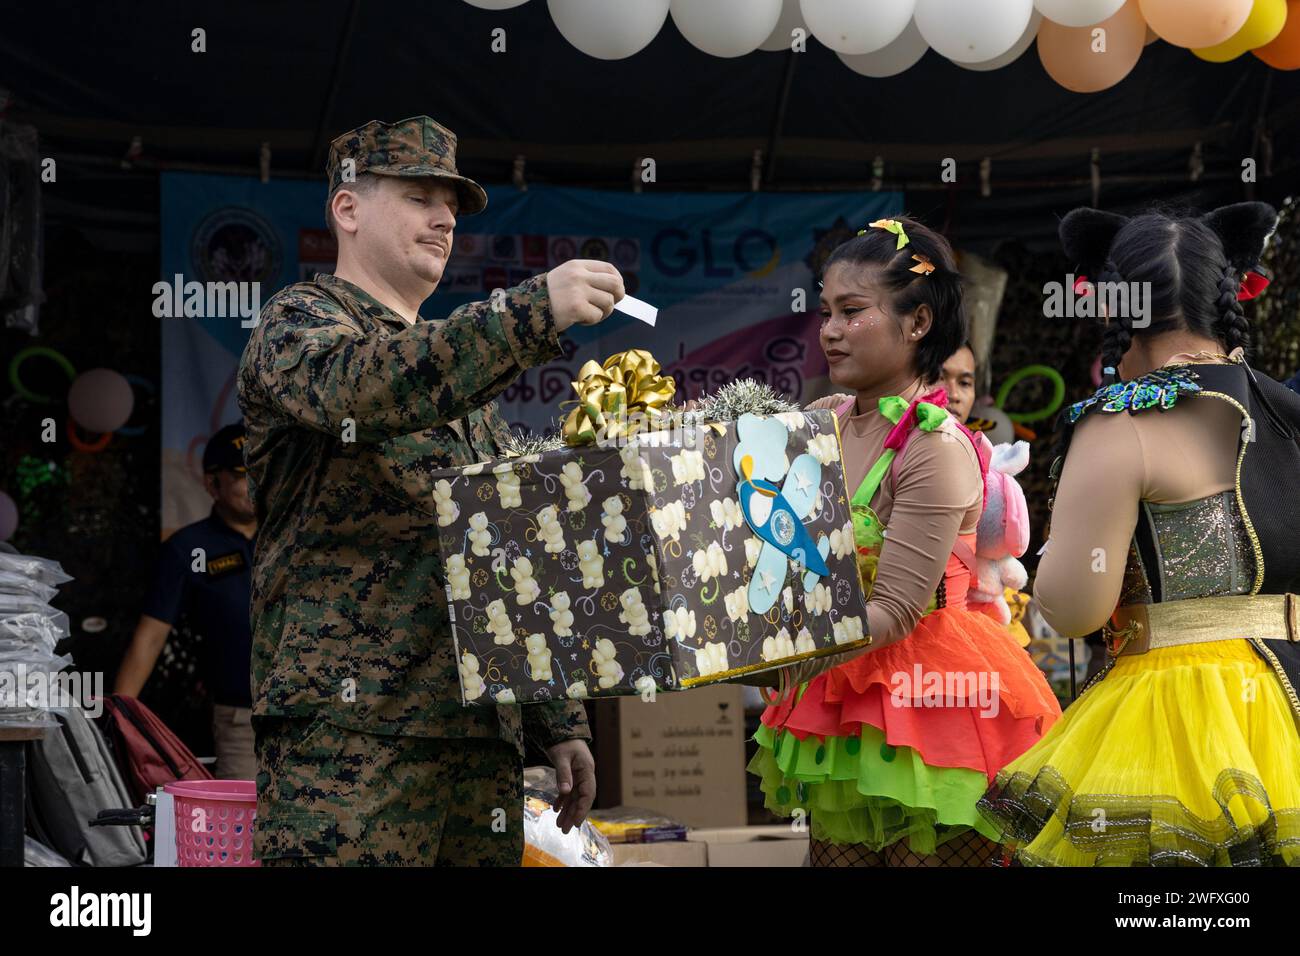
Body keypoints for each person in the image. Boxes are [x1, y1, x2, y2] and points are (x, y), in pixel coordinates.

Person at [237, 116, 623, 866]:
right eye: (419, 197)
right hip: (350, 744)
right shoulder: (298, 325)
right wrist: (531, 312)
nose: (444, 218)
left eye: (450, 205)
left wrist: (558, 719)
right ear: (347, 209)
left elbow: (505, 552)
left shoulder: (466, 384)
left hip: (476, 744)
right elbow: (364, 390)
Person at [978, 202, 1300, 866]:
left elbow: (1073, 609)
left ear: (1110, 307)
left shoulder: (1120, 422)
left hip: (1177, 713)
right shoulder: (1290, 410)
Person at [752, 217, 1061, 866]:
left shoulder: (935, 446)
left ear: (918, 323)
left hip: (936, 699)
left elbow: (895, 610)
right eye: (826, 311)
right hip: (840, 692)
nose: (829, 330)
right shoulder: (819, 424)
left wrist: (775, 650)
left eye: (853, 311)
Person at [115, 422, 258, 778]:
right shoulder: (187, 548)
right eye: (243, 473)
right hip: (240, 719)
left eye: (262, 468)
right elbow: (150, 638)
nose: (256, 482)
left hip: (311, 712)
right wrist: (118, 716)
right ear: (213, 483)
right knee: (245, 827)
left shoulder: (294, 538)